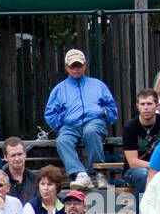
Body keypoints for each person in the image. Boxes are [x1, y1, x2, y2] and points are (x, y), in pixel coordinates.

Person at [45, 49, 118, 189]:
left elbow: (112, 108)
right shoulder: (59, 89)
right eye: (73, 66)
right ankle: (80, 174)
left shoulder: (98, 85)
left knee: (91, 132)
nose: (76, 69)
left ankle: (98, 172)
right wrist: (62, 122)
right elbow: (50, 114)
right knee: (62, 140)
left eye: (79, 65)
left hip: (94, 121)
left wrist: (103, 113)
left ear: (85, 65)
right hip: (70, 125)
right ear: (67, 67)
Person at [121, 89, 160, 195]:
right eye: (142, 104)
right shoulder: (130, 127)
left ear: (157, 105)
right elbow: (133, 162)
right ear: (137, 106)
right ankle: (142, 211)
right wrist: (157, 166)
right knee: (144, 175)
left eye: (149, 104)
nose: (146, 108)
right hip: (135, 171)